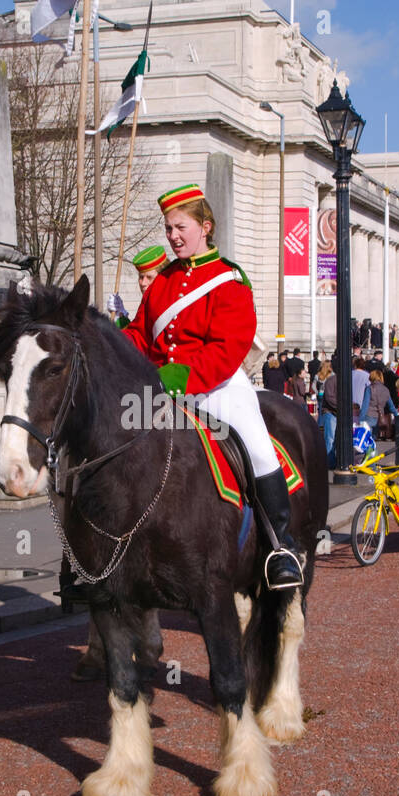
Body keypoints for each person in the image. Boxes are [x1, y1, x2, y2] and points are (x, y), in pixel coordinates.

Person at [119, 183, 303, 588]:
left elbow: (228, 348)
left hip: (215, 385)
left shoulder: (229, 280)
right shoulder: (163, 281)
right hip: (157, 386)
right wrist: (111, 344)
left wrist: (177, 378)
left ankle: (280, 546)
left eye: (180, 227)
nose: (173, 236)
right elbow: (140, 333)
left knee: (256, 443)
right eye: (168, 229)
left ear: (206, 226)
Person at [368, 369, 392, 439]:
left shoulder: (369, 388)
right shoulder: (386, 389)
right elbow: (391, 405)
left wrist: (361, 418)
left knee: (368, 439)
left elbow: (365, 404)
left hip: (369, 415)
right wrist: (397, 415)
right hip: (379, 416)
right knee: (374, 438)